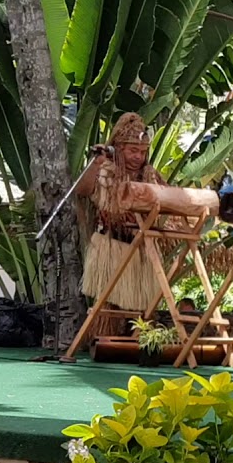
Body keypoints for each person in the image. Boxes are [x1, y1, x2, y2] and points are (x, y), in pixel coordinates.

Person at [76, 113, 167, 336]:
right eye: (133, 151)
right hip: (111, 244)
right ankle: (104, 342)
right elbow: (83, 190)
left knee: (144, 307)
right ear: (118, 148)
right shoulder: (105, 170)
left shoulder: (150, 176)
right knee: (109, 304)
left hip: (142, 248)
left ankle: (140, 343)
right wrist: (96, 163)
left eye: (143, 152)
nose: (138, 157)